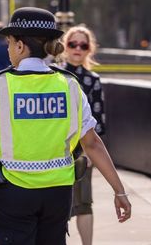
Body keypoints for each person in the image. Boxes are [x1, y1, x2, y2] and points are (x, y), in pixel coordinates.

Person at [0, 7, 131, 245]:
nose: (7, 48)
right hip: (58, 193)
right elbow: (92, 144)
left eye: (9, 42)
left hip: (12, 192)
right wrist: (120, 191)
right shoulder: (69, 85)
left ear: (20, 46)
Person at [62, 25, 106, 245]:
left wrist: (90, 155)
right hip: (55, 151)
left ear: (90, 49)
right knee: (58, 205)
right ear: (65, 47)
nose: (77, 48)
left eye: (83, 45)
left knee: (84, 203)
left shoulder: (93, 80)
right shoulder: (54, 74)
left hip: (82, 152)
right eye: (73, 43)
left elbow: (98, 120)